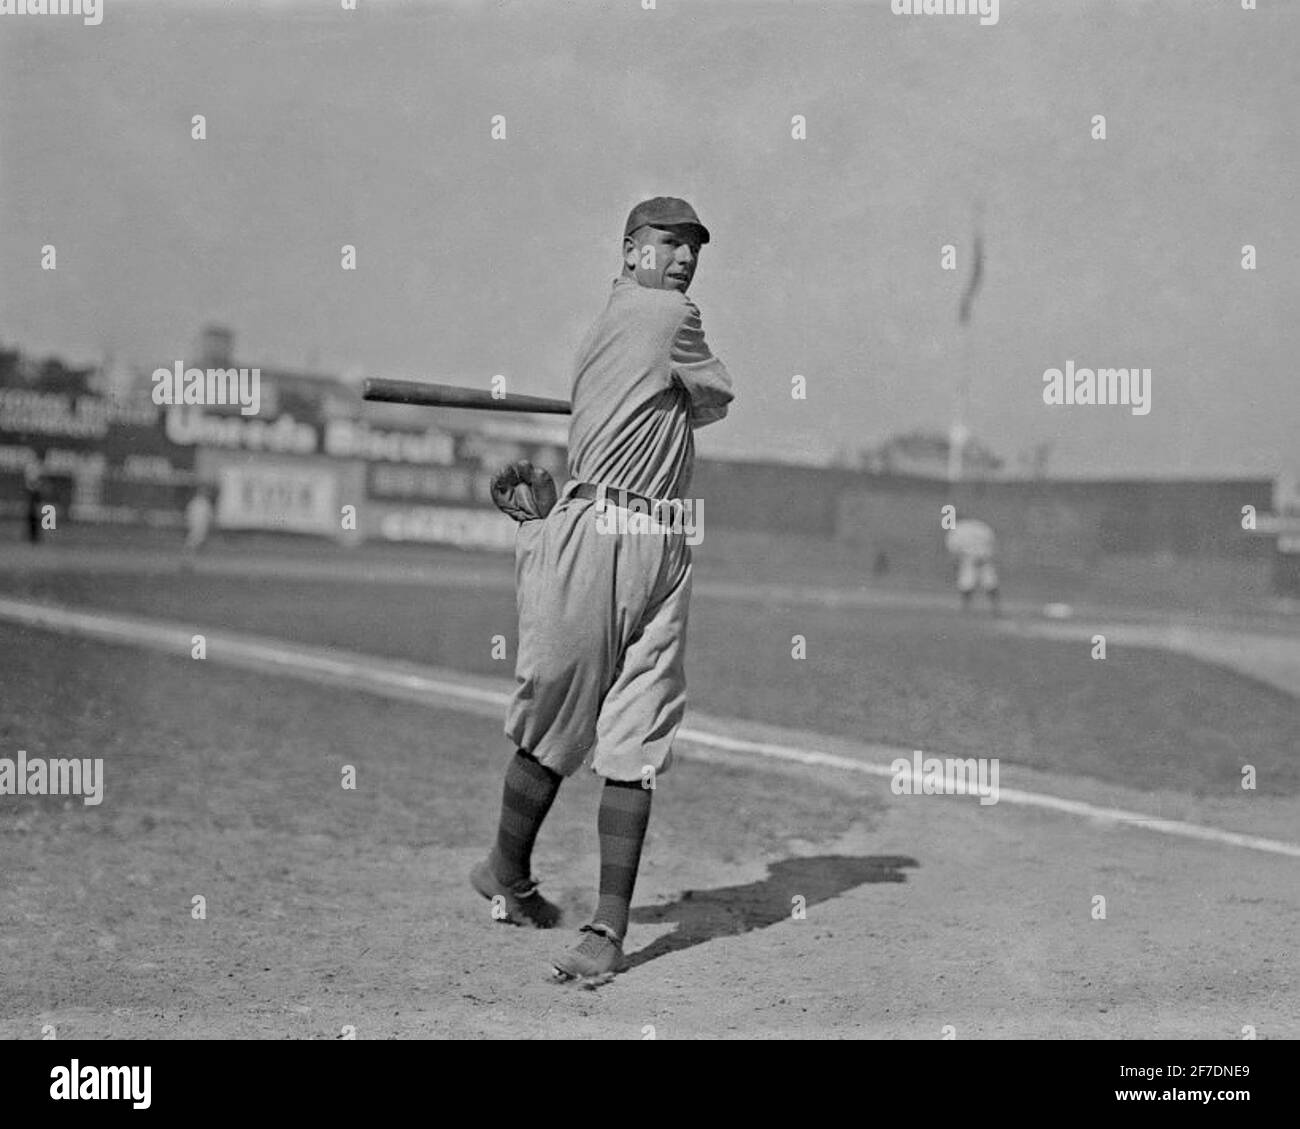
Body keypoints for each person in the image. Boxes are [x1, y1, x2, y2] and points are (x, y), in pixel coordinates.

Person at [471, 196, 734, 983]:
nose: (684, 259)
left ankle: (605, 929)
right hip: (599, 528)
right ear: (629, 252)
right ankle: (506, 873)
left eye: (693, 248)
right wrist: (676, 397)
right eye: (667, 243)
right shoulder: (665, 316)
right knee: (556, 716)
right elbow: (716, 397)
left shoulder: (620, 324)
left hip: (658, 538)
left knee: (634, 726)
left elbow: (694, 404)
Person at [946, 517, 1000, 614]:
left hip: (969, 558)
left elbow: (953, 547)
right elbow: (992, 541)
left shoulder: (958, 529)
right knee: (989, 582)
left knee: (967, 583)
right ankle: (995, 607)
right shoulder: (981, 526)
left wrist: (955, 561)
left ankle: (966, 607)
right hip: (983, 559)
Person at [183, 484, 215, 563]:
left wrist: (210, 523)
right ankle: (188, 560)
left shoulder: (206, 502)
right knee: (193, 542)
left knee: (199, 542)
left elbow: (209, 515)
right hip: (195, 525)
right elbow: (189, 514)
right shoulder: (195, 502)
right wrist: (189, 523)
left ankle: (193, 560)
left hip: (202, 526)